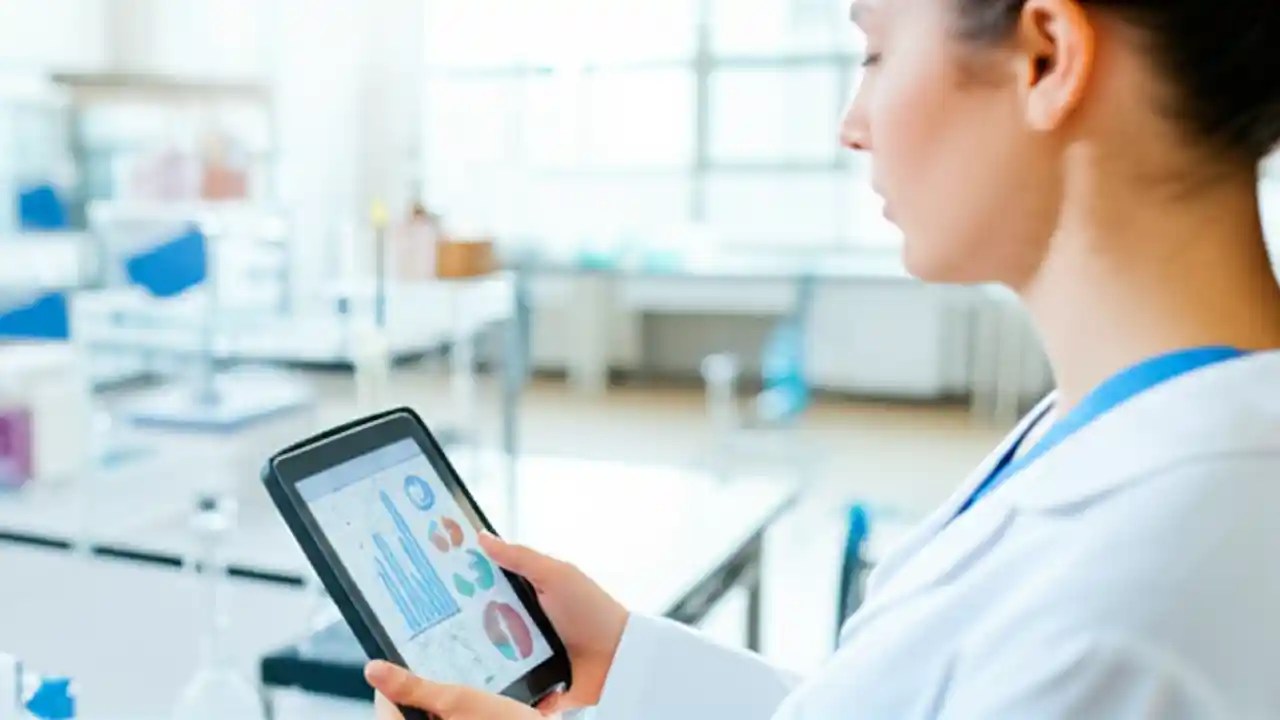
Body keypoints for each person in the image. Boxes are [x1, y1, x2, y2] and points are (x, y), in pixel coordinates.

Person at [366, 0, 1280, 717]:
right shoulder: (1115, 431)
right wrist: (630, 657)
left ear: (1046, 57)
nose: (853, 124)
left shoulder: (1133, 603)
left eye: (877, 50)